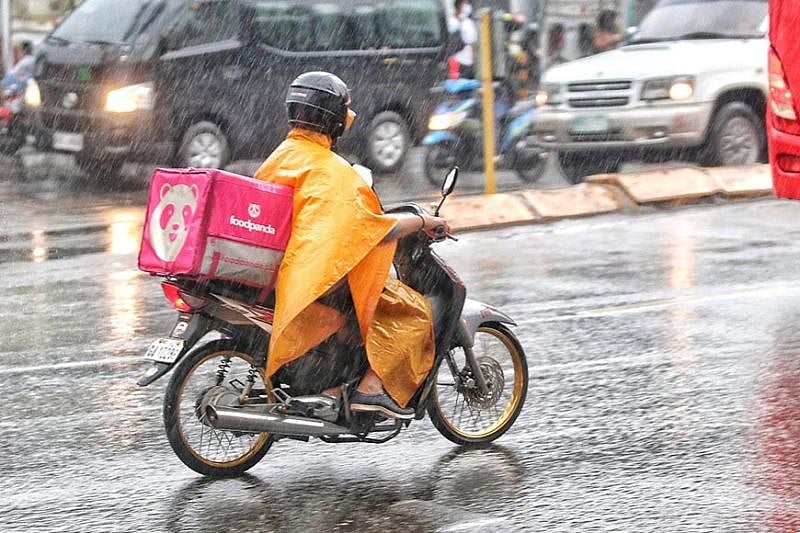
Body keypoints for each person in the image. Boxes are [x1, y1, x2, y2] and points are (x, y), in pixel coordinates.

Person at [253, 72, 448, 419]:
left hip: (291, 272)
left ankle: (334, 387)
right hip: (321, 278)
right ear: (336, 121)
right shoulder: (333, 172)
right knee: (414, 313)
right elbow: (376, 230)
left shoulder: (282, 156)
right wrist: (423, 221)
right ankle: (370, 390)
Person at [450, 0, 478, 79]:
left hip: (460, 62)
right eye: (465, 4)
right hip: (463, 64)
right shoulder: (465, 23)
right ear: (458, 5)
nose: (468, 6)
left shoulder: (466, 22)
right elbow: (473, 44)